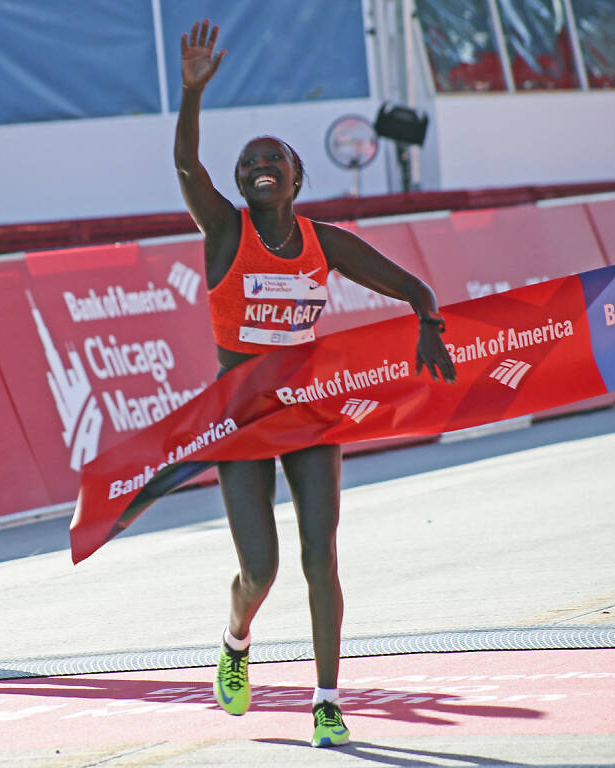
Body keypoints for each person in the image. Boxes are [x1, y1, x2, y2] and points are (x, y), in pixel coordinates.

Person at [173, 20, 457, 747]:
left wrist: (427, 318)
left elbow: (413, 285)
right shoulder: (224, 233)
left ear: (298, 178)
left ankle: (327, 701)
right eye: (248, 162)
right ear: (238, 183)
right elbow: (185, 167)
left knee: (318, 555)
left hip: (308, 410)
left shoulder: (322, 243)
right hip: (240, 415)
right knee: (260, 570)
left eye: (274, 158)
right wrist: (192, 94)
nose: (260, 165)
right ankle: (236, 640)